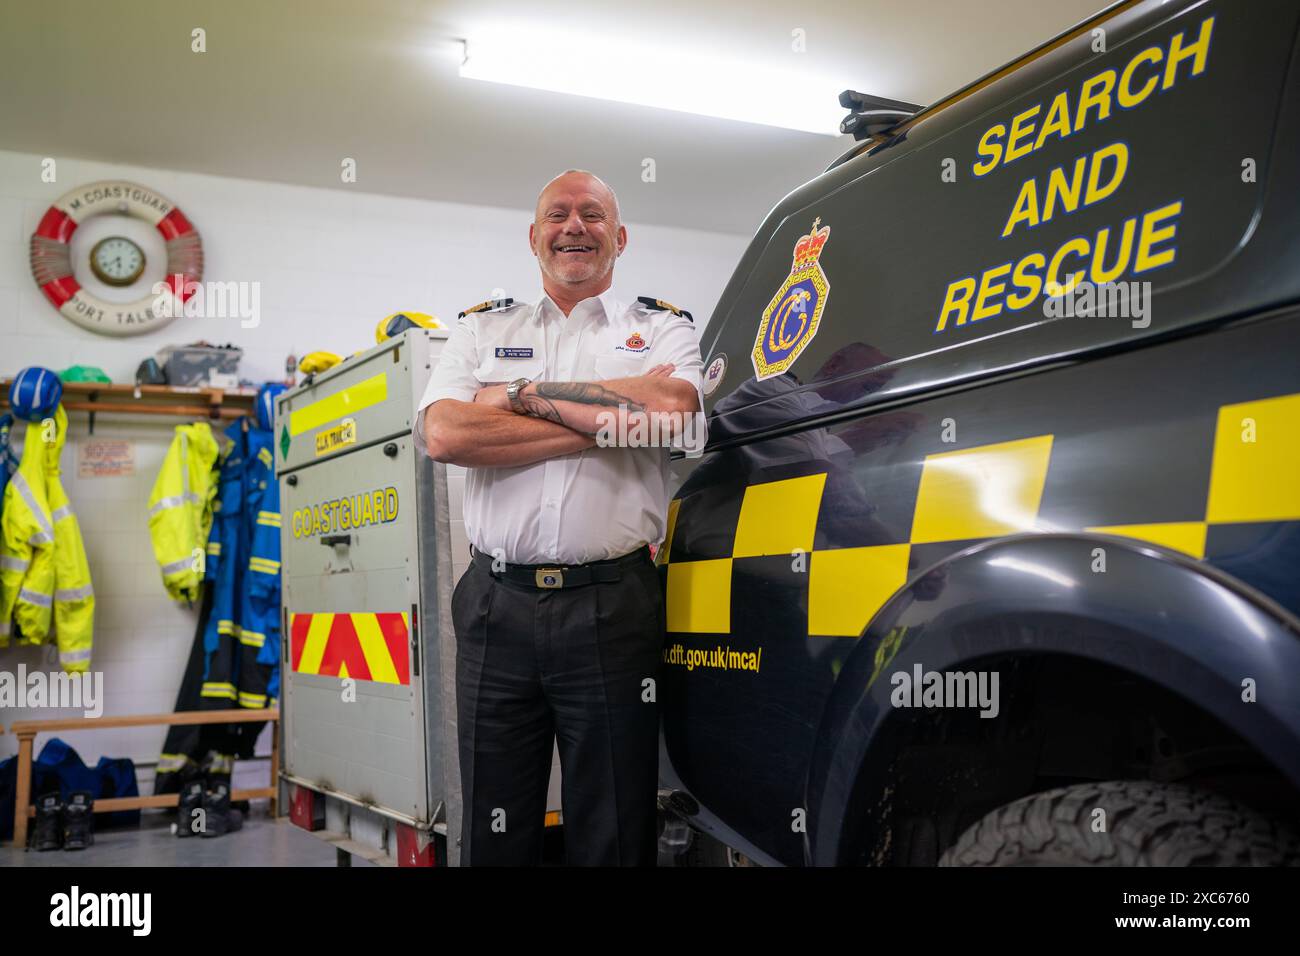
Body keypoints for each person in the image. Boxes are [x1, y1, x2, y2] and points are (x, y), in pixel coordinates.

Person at [414, 169, 706, 865]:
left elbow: (671, 413)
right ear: (535, 236)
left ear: (620, 236)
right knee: (494, 820)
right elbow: (446, 436)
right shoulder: (480, 326)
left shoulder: (662, 328)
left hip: (613, 604)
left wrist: (510, 397)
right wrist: (609, 418)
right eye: (559, 214)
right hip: (494, 605)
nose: (575, 226)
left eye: (593, 214)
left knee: (613, 821)